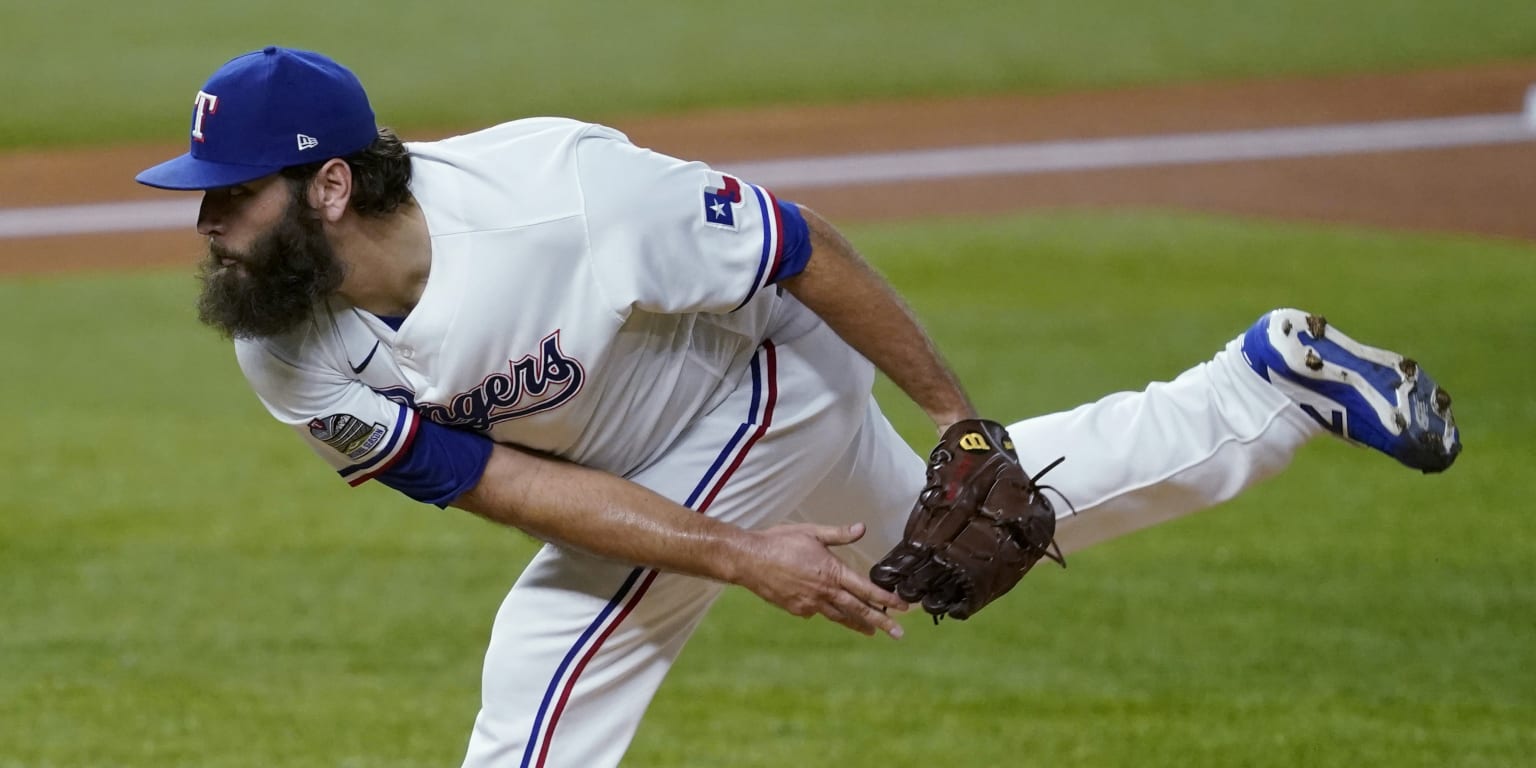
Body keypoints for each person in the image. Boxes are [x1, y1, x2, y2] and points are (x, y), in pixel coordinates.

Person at [135, 46, 1460, 767]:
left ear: (327, 188)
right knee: (927, 544)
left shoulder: (566, 198)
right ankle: (1266, 387)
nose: (206, 226)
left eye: (229, 195)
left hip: (765, 378)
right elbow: (488, 480)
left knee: (551, 649)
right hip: (659, 456)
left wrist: (956, 422)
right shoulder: (281, 341)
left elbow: (798, 247)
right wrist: (732, 551)